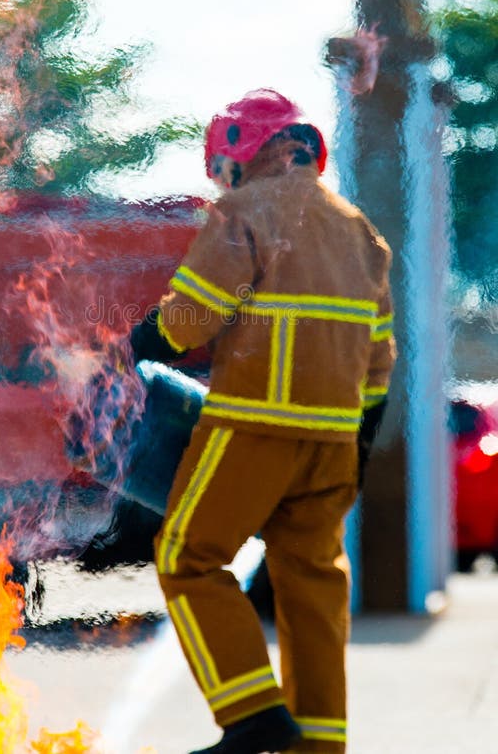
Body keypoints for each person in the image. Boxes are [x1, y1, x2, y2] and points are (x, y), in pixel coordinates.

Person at [130, 89, 396, 754]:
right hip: (334, 444)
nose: (222, 178)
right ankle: (317, 745)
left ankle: (250, 716)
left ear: (241, 150)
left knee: (189, 558)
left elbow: (191, 318)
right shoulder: (360, 232)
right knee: (311, 587)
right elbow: (380, 362)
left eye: (223, 163)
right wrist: (357, 448)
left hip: (251, 428)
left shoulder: (246, 211)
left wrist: (130, 347)